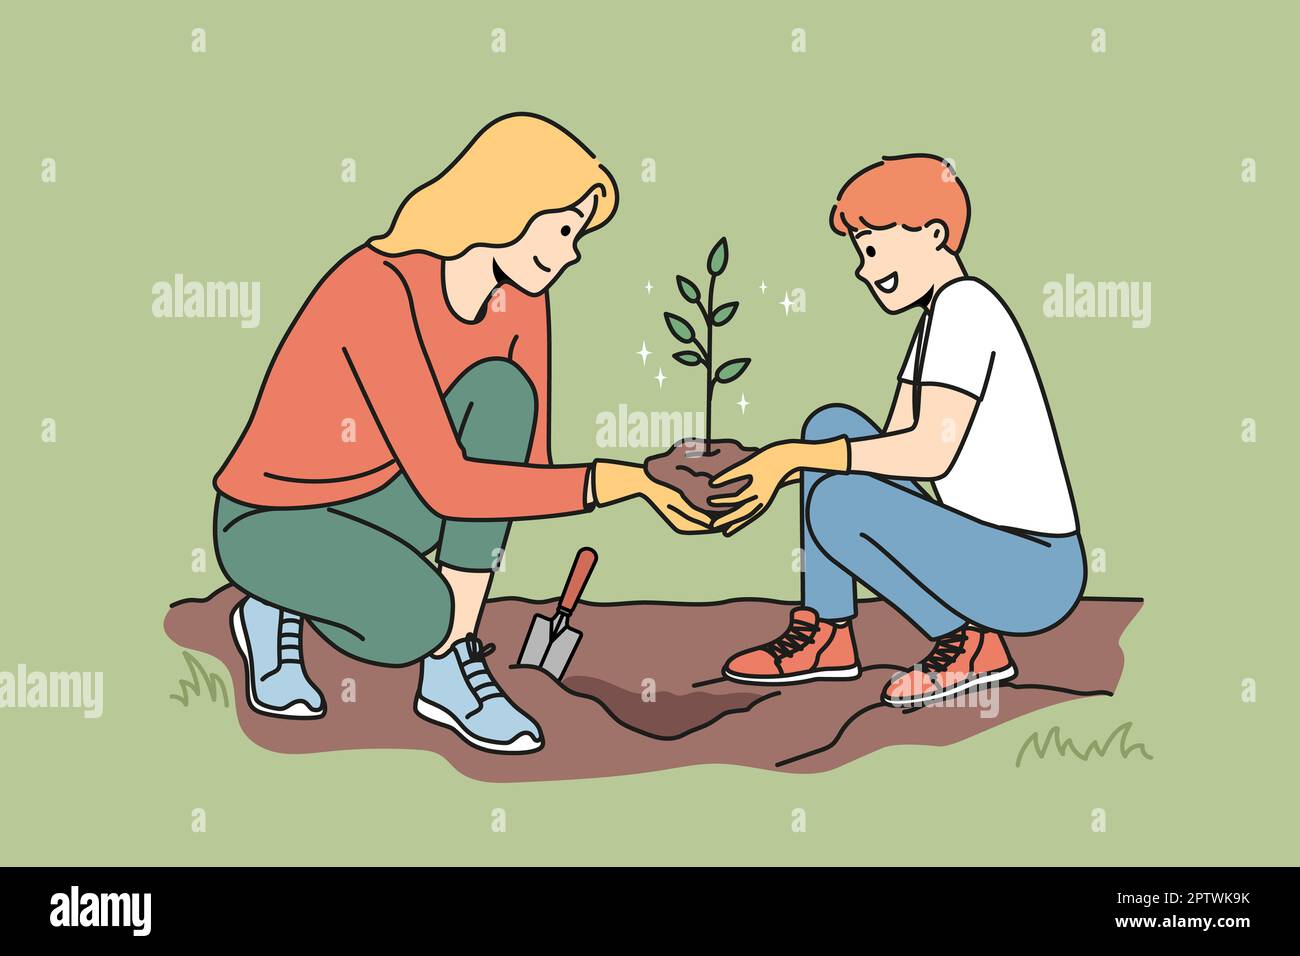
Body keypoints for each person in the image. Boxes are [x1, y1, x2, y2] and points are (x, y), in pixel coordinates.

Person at [212, 114, 711, 753]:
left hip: (382, 498)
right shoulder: (376, 287)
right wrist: (627, 482)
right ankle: (271, 603)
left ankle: (450, 667)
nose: (573, 250)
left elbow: (520, 473)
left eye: (579, 233)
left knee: (502, 392)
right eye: (563, 228)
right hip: (273, 520)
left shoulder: (522, 299)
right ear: (507, 205)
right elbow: (451, 486)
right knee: (412, 621)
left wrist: (648, 481)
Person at [711, 154, 1086, 707]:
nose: (864, 270)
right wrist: (775, 466)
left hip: (1034, 570)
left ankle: (970, 644)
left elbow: (929, 454)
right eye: (860, 253)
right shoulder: (935, 319)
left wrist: (788, 459)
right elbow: (882, 452)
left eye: (873, 248)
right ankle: (829, 632)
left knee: (839, 501)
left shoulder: (966, 308)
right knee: (831, 427)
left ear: (933, 235)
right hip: (992, 549)